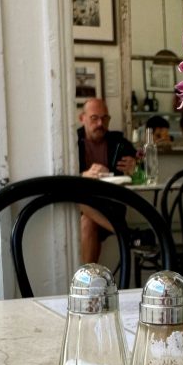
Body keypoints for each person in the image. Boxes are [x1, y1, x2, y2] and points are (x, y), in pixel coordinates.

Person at [77, 98, 136, 263]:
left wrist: (135, 168)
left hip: (111, 206)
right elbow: (60, 178)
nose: (100, 123)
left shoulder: (119, 143)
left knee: (87, 220)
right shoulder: (71, 144)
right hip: (80, 207)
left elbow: (143, 174)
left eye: (104, 118)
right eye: (94, 118)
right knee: (86, 217)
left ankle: (87, 285)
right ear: (82, 118)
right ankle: (125, 234)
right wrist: (84, 176)